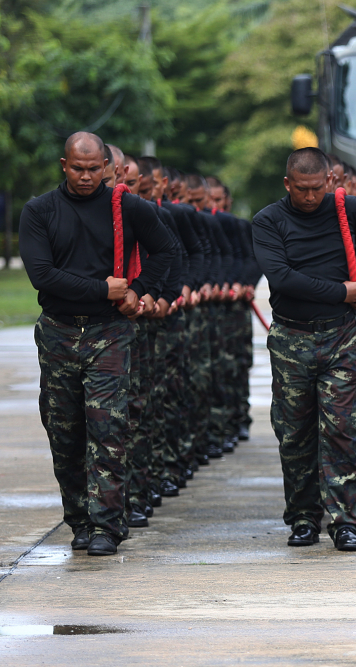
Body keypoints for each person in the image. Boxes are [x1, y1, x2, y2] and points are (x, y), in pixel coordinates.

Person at [19, 132, 177, 556]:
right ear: (63, 165)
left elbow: (168, 251)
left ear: (107, 167)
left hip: (110, 333)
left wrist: (141, 291)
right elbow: (43, 275)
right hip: (59, 332)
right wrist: (102, 288)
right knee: (65, 433)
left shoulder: (126, 207)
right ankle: (80, 521)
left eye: (93, 168)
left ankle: (108, 524)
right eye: (77, 168)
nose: (86, 176)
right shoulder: (40, 211)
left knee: (108, 430)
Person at [252, 147, 356, 550]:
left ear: (330, 181)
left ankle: (346, 520)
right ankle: (302, 518)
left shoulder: (347, 210)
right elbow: (281, 277)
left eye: (316, 188)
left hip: (341, 336)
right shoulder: (269, 220)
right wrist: (342, 292)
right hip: (291, 336)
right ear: (287, 184)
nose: (310, 197)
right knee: (295, 433)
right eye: (301, 189)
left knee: (343, 429)